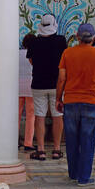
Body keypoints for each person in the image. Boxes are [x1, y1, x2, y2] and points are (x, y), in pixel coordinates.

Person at [56, 22, 95, 186]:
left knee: (72, 140)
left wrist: (58, 98)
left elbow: (61, 79)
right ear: (94, 37)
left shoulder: (67, 53)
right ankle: (84, 177)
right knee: (88, 141)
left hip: (71, 101)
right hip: (91, 102)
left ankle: (73, 173)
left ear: (78, 37)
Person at [27, 13, 68, 160]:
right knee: (58, 116)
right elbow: (65, 61)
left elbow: (31, 60)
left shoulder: (34, 42)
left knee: (40, 116)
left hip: (38, 83)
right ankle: (56, 149)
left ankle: (41, 150)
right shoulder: (61, 40)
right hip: (57, 84)